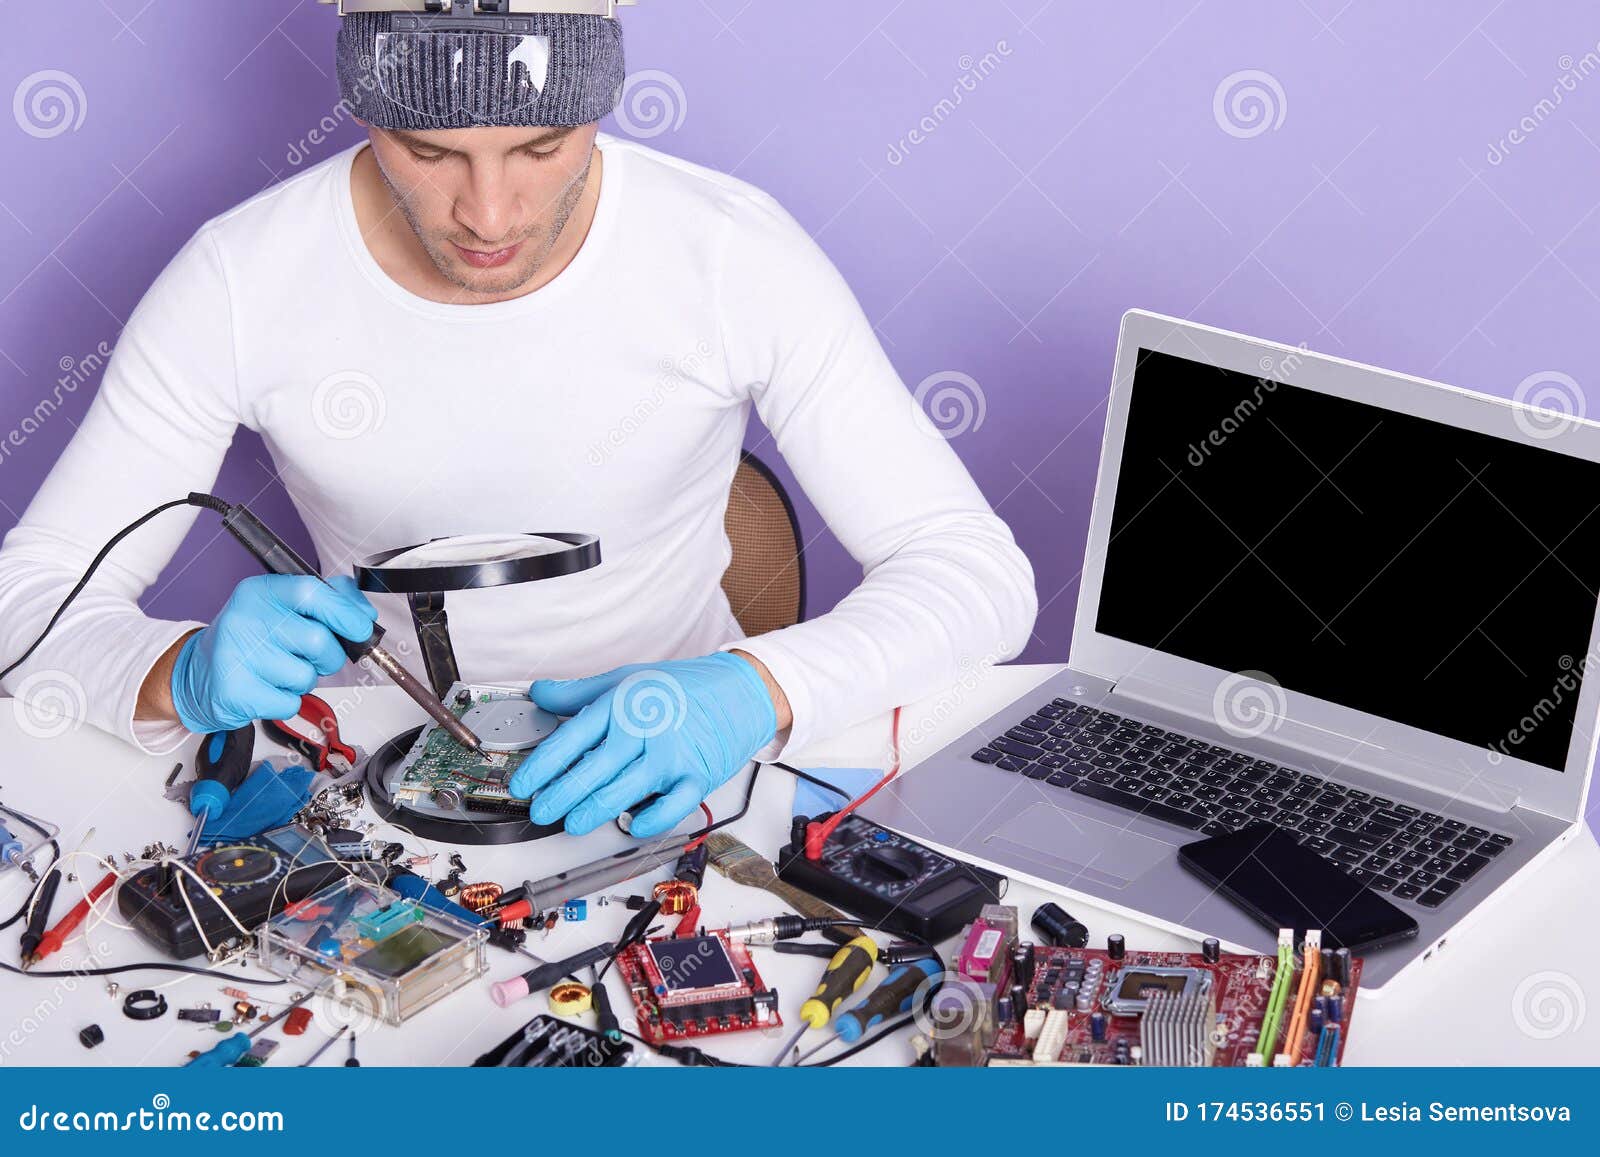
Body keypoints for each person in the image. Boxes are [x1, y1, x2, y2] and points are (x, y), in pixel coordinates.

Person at [0, 5, 1036, 838]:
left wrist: (752, 689)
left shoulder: (726, 252)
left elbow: (974, 572)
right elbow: (23, 603)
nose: (488, 216)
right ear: (364, 111)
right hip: (392, 776)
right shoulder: (239, 278)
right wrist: (174, 673)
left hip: (688, 785)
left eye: (541, 147)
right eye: (429, 149)